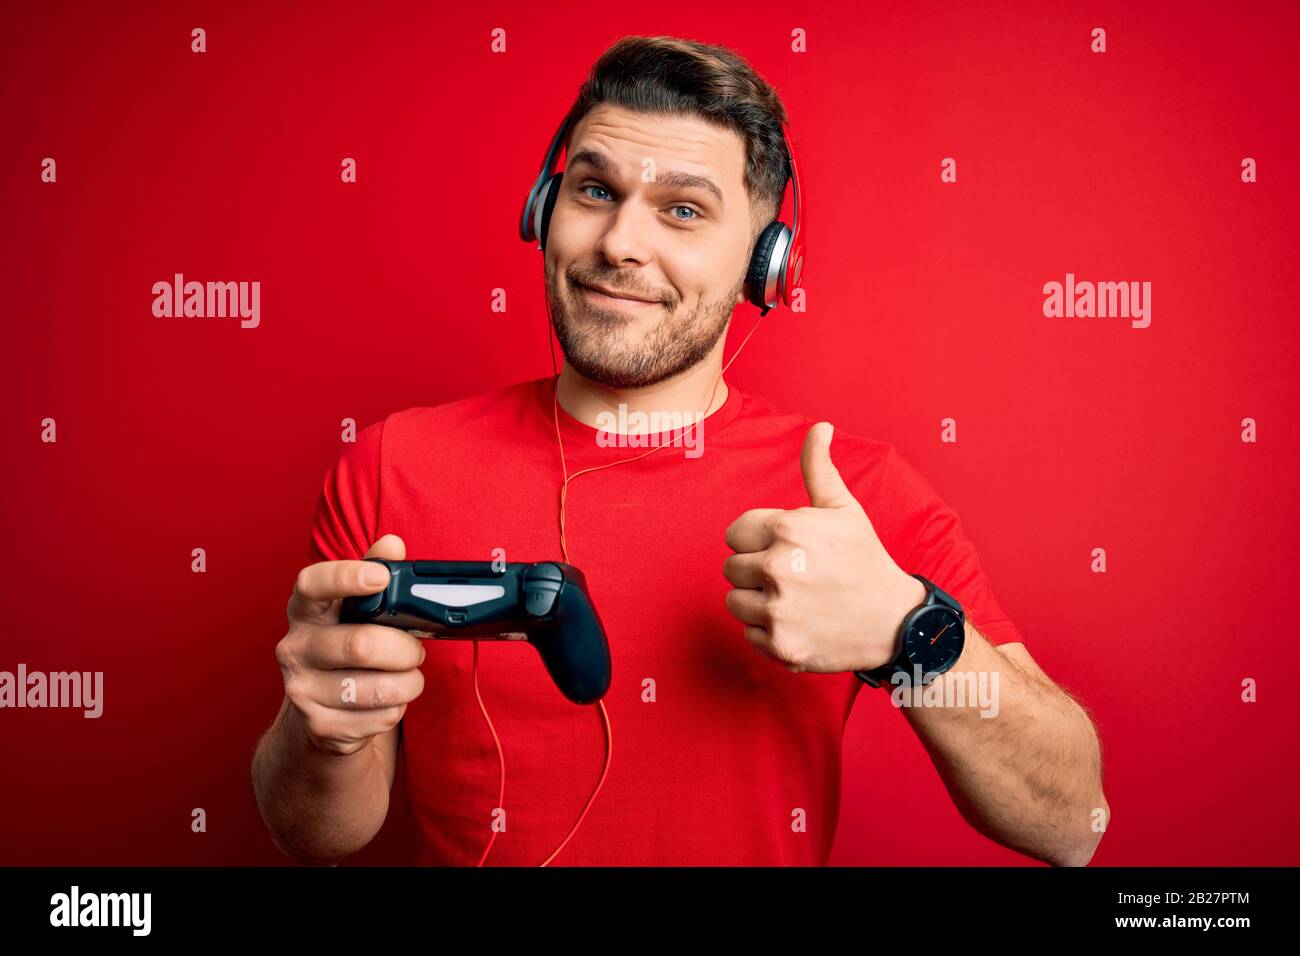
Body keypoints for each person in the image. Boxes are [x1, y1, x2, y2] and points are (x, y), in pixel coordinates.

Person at [251, 34, 1109, 867]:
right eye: (593, 192)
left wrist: (907, 631)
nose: (621, 242)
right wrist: (322, 730)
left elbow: (1073, 825)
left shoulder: (856, 497)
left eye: (683, 211)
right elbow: (318, 836)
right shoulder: (392, 466)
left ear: (764, 264)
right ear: (544, 213)